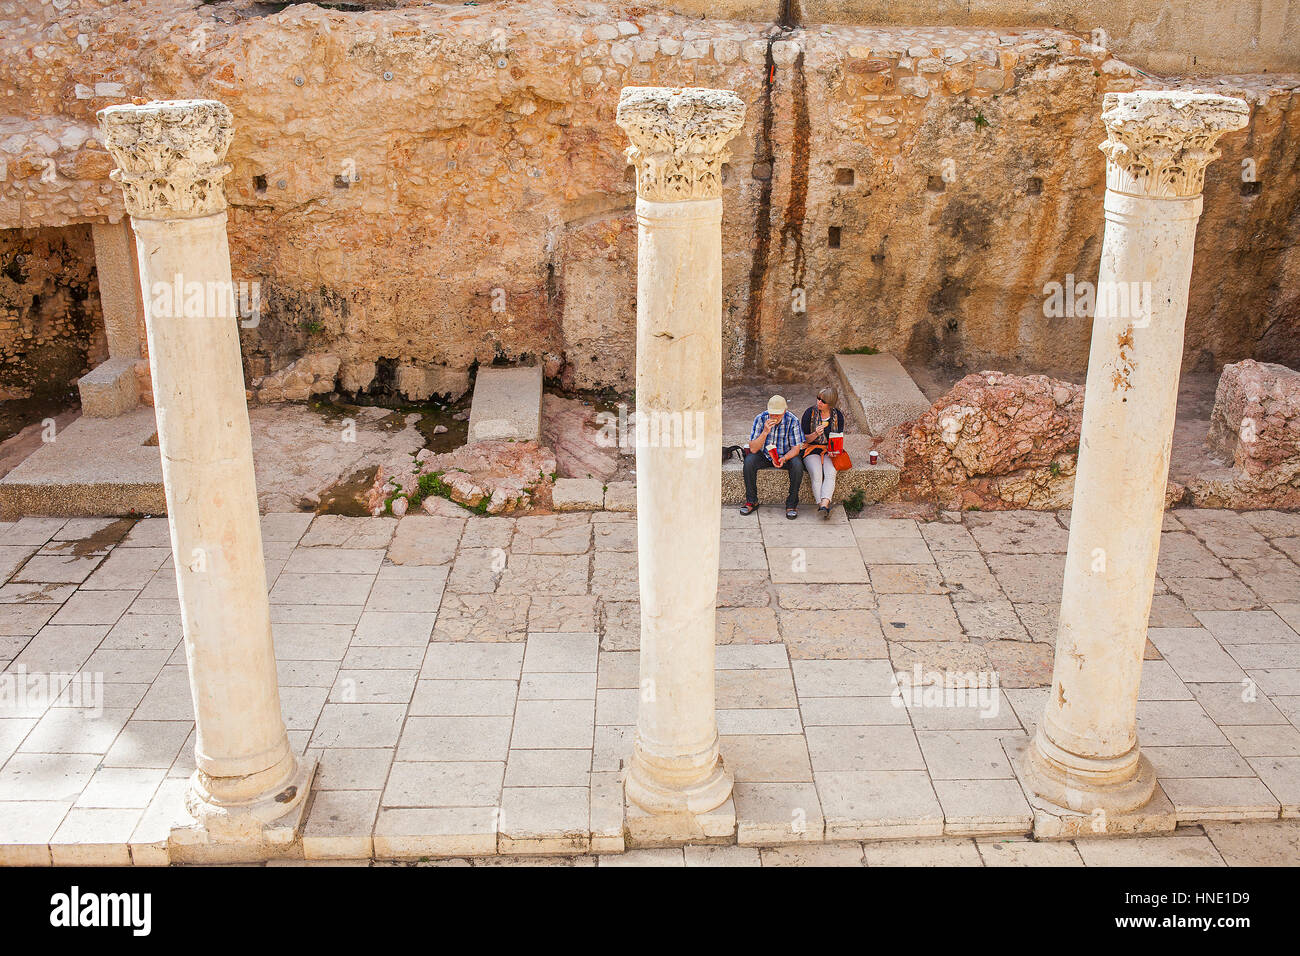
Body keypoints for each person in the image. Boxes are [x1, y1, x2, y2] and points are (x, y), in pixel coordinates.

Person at [740, 395, 805, 519]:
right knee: (749, 462)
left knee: (797, 465)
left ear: (784, 411)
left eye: (778, 414)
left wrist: (784, 458)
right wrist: (765, 432)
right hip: (765, 455)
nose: (774, 417)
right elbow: (753, 448)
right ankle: (752, 501)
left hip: (785, 455)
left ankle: (791, 504)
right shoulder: (760, 418)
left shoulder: (793, 420)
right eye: (772, 413)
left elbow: (796, 449)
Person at [800, 386, 846, 520]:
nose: (819, 402)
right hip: (811, 448)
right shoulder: (810, 413)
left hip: (829, 450)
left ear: (830, 404)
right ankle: (822, 505)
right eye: (818, 398)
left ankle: (825, 504)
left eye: (823, 401)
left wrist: (834, 451)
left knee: (831, 472)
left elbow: (838, 437)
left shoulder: (837, 415)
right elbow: (803, 439)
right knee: (816, 473)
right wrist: (815, 434)